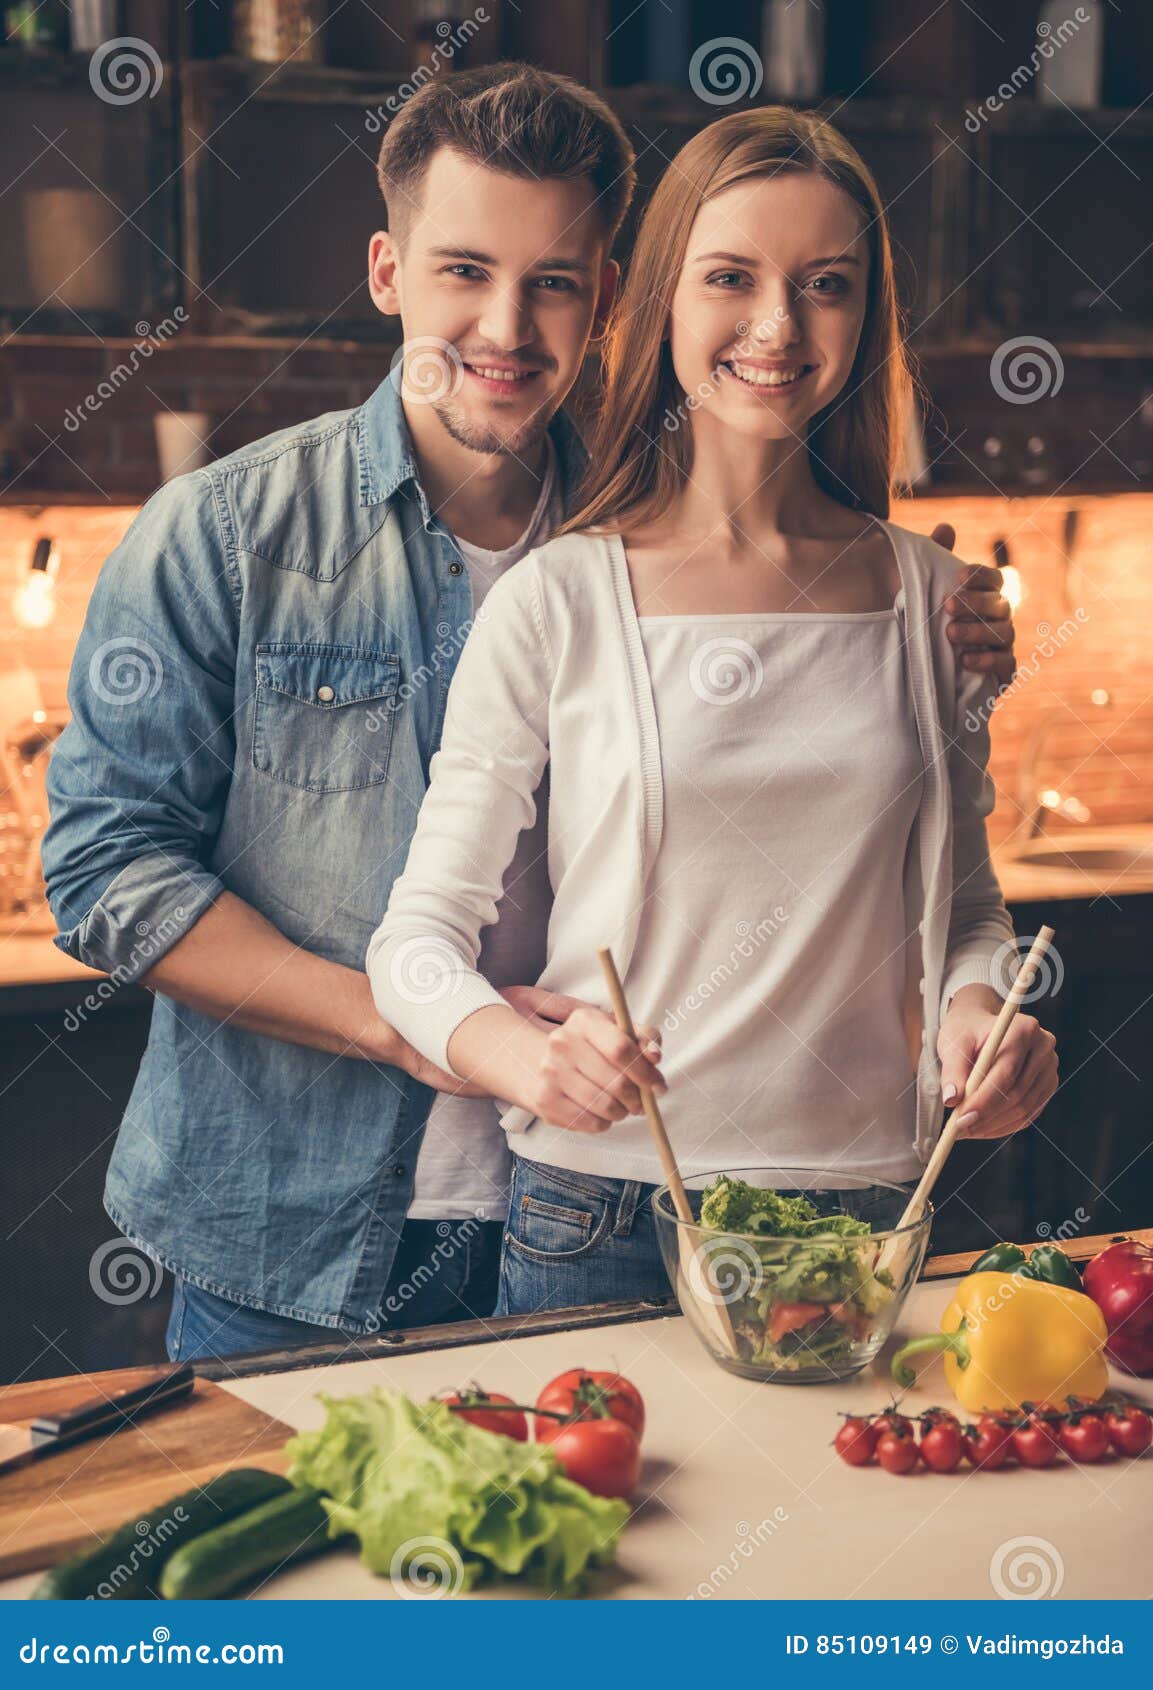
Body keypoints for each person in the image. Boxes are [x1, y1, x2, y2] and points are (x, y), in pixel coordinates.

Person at [43, 68, 1015, 1362]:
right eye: (464, 270)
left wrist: (942, 636)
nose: (504, 325)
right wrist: (413, 1023)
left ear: (607, 299)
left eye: (552, 281)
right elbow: (107, 872)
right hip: (291, 1223)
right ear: (388, 271)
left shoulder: (649, 527)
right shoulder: (226, 532)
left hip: (579, 1202)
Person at [366, 104, 1056, 1317]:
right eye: (730, 277)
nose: (777, 326)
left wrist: (980, 1004)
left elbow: (961, 909)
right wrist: (525, 1057)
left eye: (825, 285)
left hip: (866, 1214)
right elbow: (415, 943)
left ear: (866, 316)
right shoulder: (557, 599)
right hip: (604, 1208)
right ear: (659, 305)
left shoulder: (937, 602)